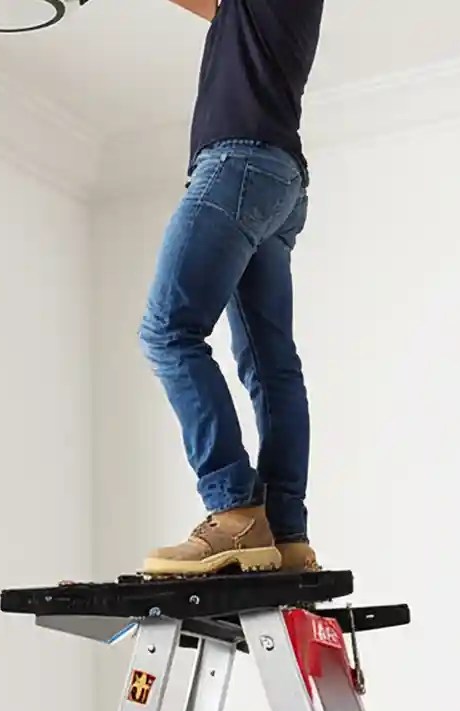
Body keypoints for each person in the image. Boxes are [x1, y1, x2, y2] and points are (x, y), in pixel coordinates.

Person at [138, 0, 325, 577]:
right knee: (271, 365)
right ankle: (285, 531)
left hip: (239, 164)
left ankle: (235, 511)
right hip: (277, 178)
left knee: (168, 332)